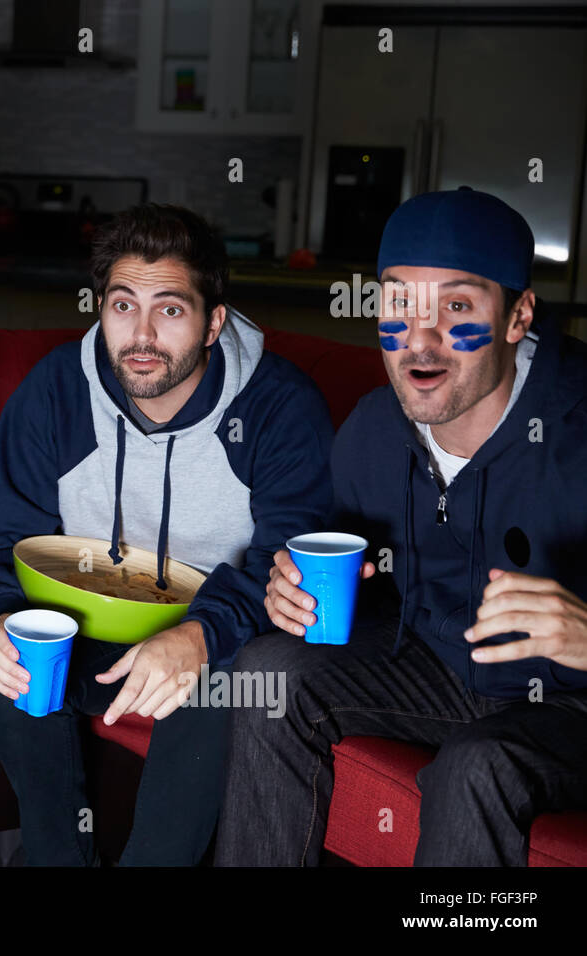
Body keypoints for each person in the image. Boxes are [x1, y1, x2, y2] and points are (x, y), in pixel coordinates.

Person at [216, 187, 587, 866]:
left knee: (479, 767)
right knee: (269, 674)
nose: (420, 339)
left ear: (517, 315)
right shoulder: (371, 433)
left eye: (457, 307)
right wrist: (290, 592)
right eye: (398, 304)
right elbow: (361, 579)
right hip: (441, 667)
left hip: (570, 702)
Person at [0, 202, 334, 865]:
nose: (141, 334)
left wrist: (197, 634)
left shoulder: (277, 405)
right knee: (14, 655)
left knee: (228, 680)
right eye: (123, 305)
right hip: (87, 629)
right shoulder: (57, 390)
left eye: (170, 309)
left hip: (213, 639)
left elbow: (288, 560)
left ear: (214, 321)